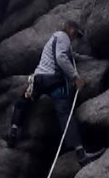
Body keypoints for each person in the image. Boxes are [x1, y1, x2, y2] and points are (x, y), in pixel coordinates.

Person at [6, 19, 100, 165]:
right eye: (75, 34)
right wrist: (75, 77)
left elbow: (73, 57)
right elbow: (61, 58)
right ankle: (81, 154)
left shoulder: (54, 40)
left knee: (22, 101)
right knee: (65, 115)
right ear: (70, 29)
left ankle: (14, 130)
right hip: (54, 82)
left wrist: (93, 59)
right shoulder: (63, 37)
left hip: (39, 80)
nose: (75, 38)